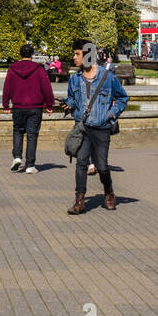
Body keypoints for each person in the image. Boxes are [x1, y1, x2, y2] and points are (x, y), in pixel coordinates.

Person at [62, 40, 129, 214]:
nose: (74, 57)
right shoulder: (74, 79)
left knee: (102, 166)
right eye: (75, 53)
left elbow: (123, 98)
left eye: (78, 54)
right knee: (81, 163)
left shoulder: (108, 78)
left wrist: (111, 114)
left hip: (101, 129)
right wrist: (67, 104)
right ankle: (79, 201)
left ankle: (109, 192)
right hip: (82, 127)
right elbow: (72, 99)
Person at [1, 43, 55, 173]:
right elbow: (46, 88)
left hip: (18, 106)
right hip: (35, 107)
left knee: (18, 131)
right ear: (32, 55)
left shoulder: (12, 68)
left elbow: (7, 87)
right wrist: (49, 104)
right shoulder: (39, 69)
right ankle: (30, 165)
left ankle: (17, 157)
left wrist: (6, 105)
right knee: (32, 135)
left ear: (20, 55)